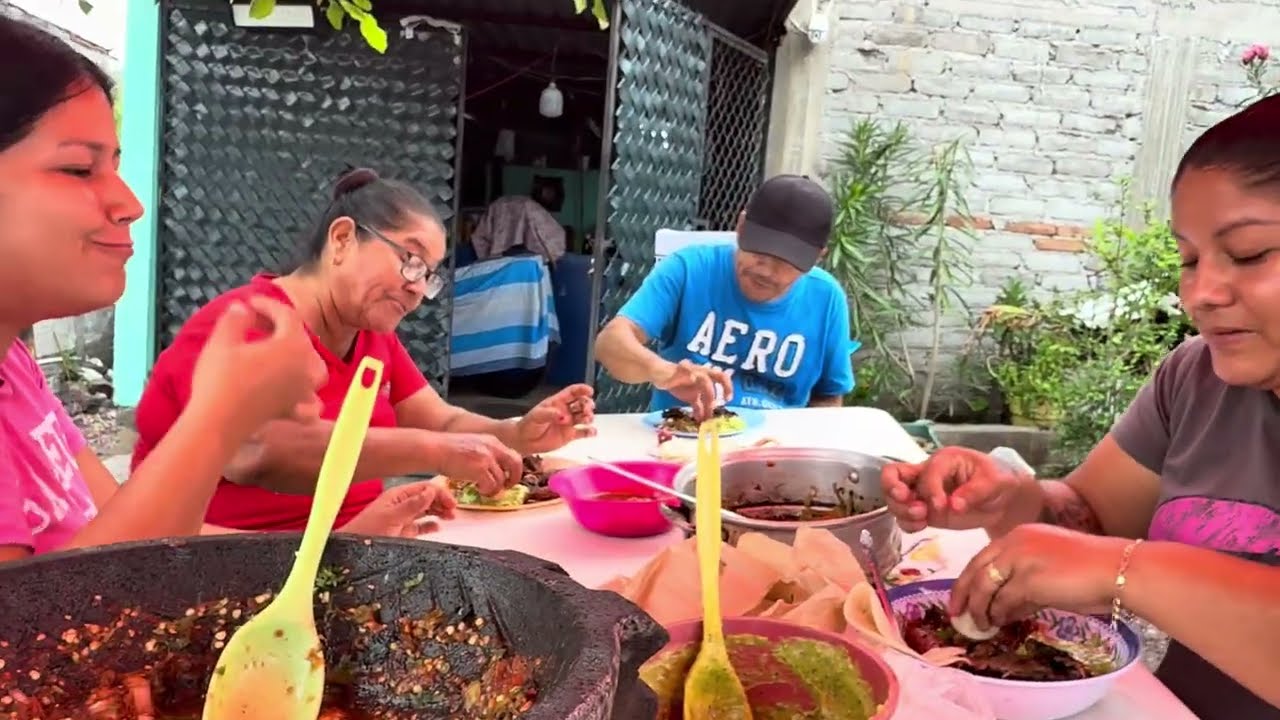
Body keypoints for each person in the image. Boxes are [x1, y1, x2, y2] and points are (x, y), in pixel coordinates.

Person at [880, 97, 1280, 719]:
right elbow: (1093, 522)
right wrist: (1011, 501)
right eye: (1189, 259)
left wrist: (1125, 570)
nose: (1200, 293)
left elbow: (1110, 563)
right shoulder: (1197, 378)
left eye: (1250, 253)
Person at [0, 15, 328, 561]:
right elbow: (81, 606)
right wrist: (219, 419)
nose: (130, 204)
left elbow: (125, 536)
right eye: (79, 170)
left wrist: (329, 555)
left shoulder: (14, 366)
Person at [131, 168, 597, 532]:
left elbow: (441, 420)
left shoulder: (371, 336)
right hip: (236, 571)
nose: (417, 288)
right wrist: (435, 452)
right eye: (410, 260)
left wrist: (515, 433)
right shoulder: (249, 322)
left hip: (351, 551)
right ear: (342, 239)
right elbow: (261, 449)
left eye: (428, 275)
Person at [594, 175, 857, 419]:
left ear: (816, 258)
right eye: (759, 252)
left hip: (775, 444)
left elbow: (828, 395)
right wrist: (665, 372)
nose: (765, 271)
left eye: (785, 262)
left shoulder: (826, 298)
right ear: (741, 227)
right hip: (685, 435)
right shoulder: (689, 268)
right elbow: (610, 343)